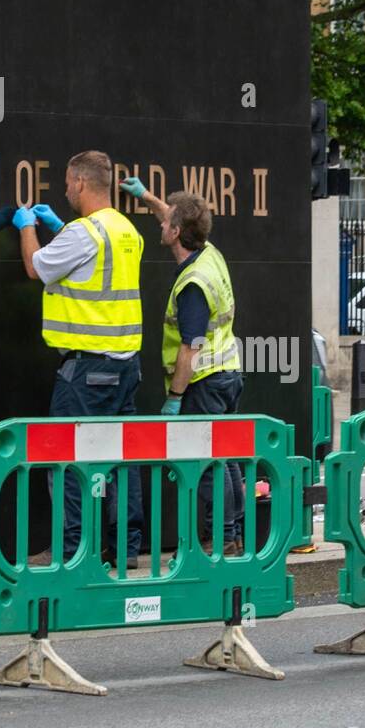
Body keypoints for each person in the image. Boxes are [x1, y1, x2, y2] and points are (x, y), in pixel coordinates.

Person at [15, 151, 145, 569]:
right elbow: (88, 266)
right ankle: (124, 548)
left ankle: (69, 551)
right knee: (120, 461)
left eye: (68, 183)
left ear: (81, 183)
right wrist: (61, 228)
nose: (66, 189)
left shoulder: (85, 232)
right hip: (126, 366)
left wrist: (29, 226)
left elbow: (36, 267)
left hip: (87, 369)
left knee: (67, 460)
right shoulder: (126, 229)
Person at [121, 179, 244, 554]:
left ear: (176, 233)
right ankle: (234, 534)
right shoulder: (209, 254)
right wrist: (147, 197)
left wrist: (175, 396)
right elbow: (177, 218)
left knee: (207, 464)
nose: (160, 224)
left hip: (202, 382)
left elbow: (190, 351)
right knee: (226, 458)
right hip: (228, 375)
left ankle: (220, 540)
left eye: (165, 223)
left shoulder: (192, 283)